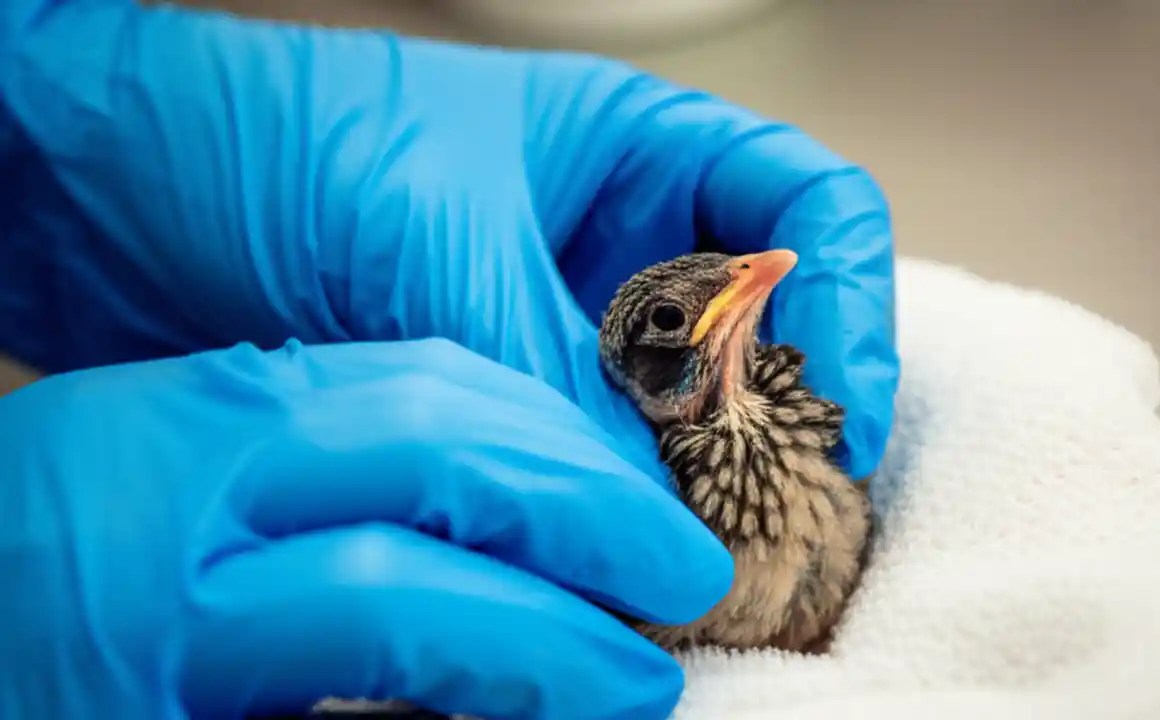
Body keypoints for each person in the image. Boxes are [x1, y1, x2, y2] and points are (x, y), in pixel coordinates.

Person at [0, 1, 898, 718]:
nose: (754, 272)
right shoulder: (628, 470)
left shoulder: (792, 409)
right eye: (672, 315)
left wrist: (42, 102)